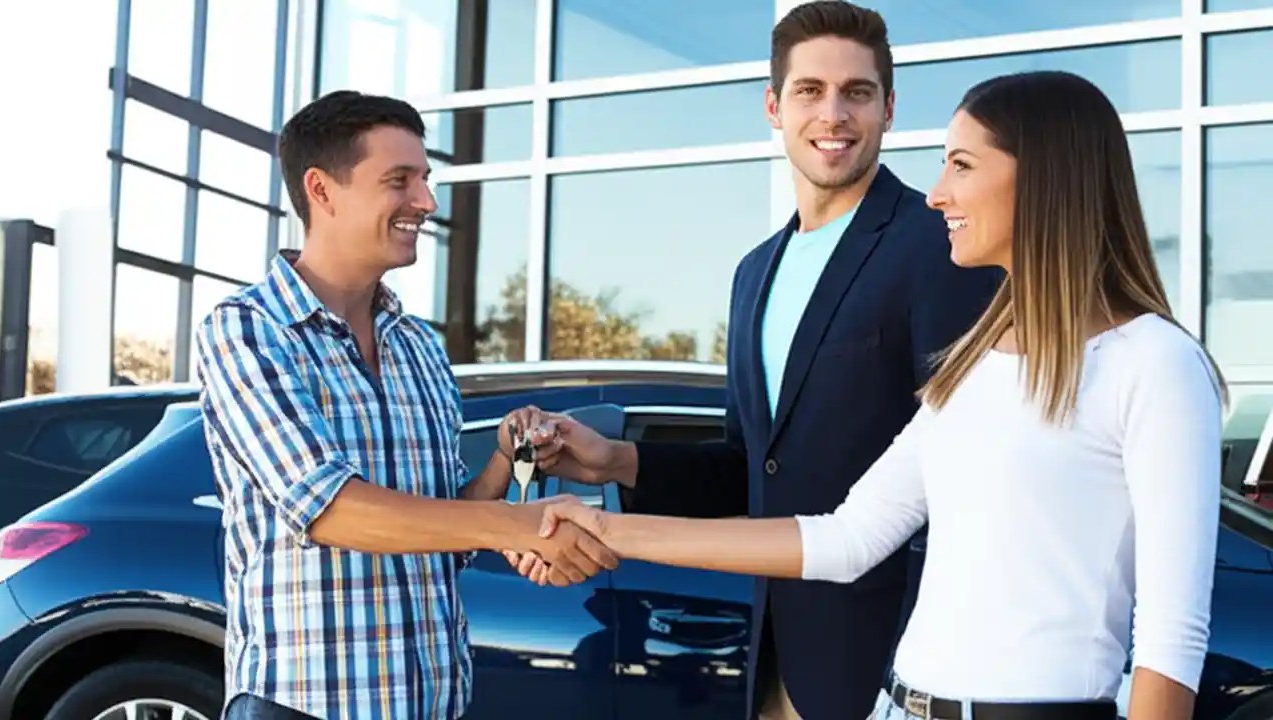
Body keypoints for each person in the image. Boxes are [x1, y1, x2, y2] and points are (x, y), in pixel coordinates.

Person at [531, 70, 1227, 720]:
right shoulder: (975, 362)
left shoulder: (1154, 363)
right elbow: (848, 536)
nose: (937, 194)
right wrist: (608, 530)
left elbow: (1171, 637)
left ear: (1045, 177)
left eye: (961, 164)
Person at [506, 3, 1000, 719]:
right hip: (775, 663)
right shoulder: (754, 273)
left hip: (902, 663)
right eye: (810, 91)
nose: (833, 115)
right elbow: (752, 470)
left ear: (889, 108)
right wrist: (614, 460)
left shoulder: (938, 247)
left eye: (856, 93)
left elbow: (979, 473)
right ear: (774, 106)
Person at [194, 90, 616, 720]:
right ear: (322, 190)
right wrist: (521, 526)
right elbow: (332, 510)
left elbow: (449, 532)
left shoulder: (419, 346)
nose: (426, 201)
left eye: (425, 179)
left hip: (432, 703)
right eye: (400, 181)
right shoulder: (247, 331)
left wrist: (507, 462)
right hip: (306, 707)